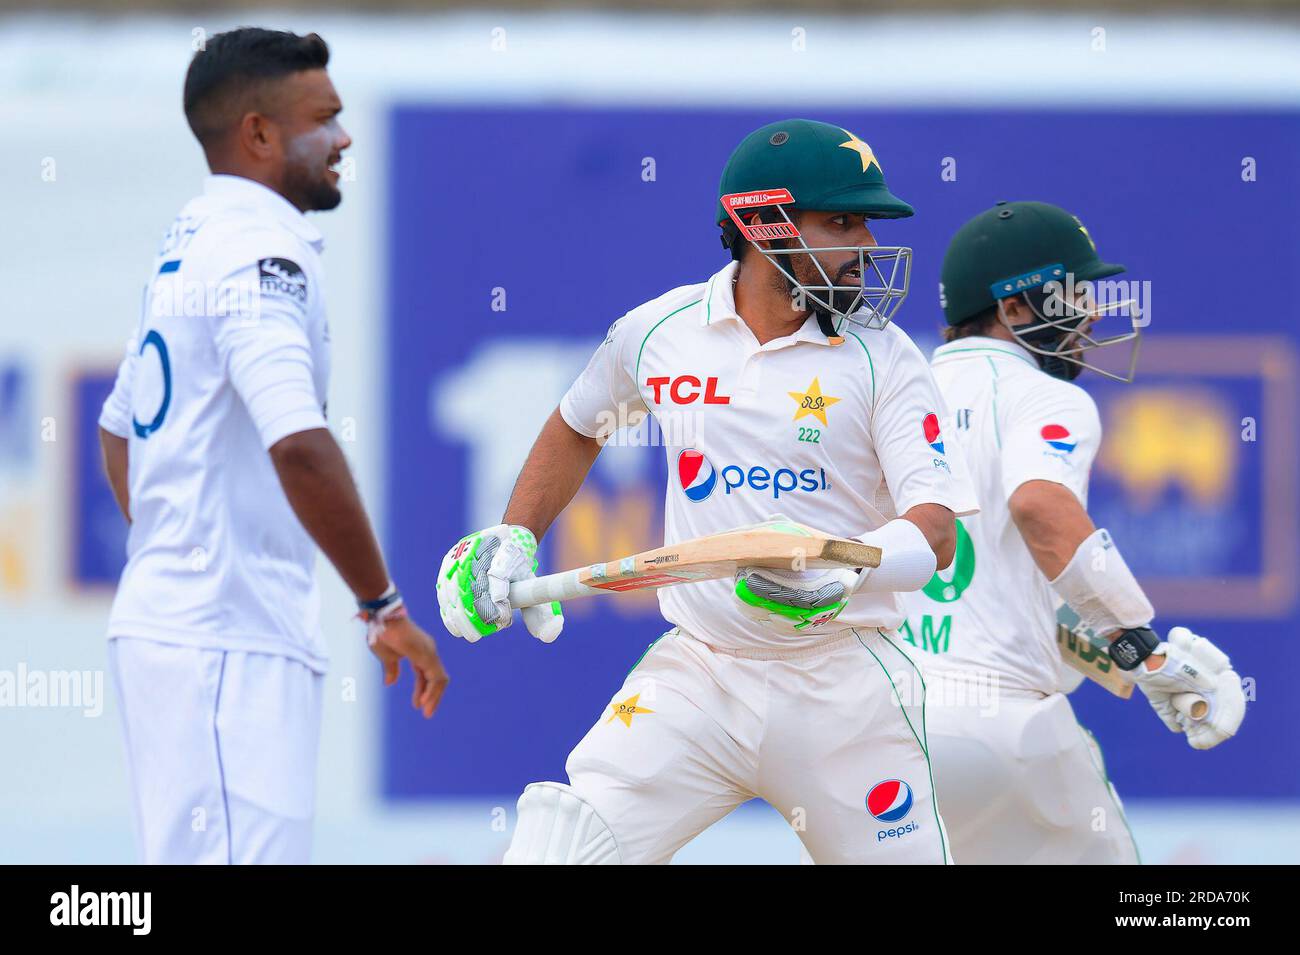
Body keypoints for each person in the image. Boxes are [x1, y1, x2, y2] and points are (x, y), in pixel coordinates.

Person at [437, 119, 979, 864]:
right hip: (700, 672)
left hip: (845, 683)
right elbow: (576, 425)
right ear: (764, 225)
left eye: (867, 225)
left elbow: (936, 530)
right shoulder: (658, 331)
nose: (868, 248)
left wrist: (845, 564)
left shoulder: (886, 358)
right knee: (556, 850)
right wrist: (515, 532)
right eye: (844, 222)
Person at [98, 27, 448, 864]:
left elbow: (118, 430)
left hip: (193, 628)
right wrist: (383, 605)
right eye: (324, 118)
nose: (345, 137)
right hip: (224, 634)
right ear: (258, 133)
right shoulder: (259, 251)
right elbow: (300, 444)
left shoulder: (190, 242)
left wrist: (171, 555)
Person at [899, 200, 1246, 864]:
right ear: (1015, 310)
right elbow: (1039, 505)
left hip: (876, 729)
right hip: (1006, 728)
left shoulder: (895, 394)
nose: (1088, 312)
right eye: (1072, 292)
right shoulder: (1046, 396)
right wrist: (1141, 645)